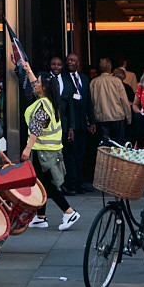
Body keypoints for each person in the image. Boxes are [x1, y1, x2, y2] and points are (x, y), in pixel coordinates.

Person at [20, 63, 79, 230]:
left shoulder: (43, 104)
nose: (35, 84)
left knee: (48, 184)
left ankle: (69, 212)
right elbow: (34, 84)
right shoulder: (47, 101)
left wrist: (27, 148)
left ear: (44, 87)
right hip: (48, 150)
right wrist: (29, 70)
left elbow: (36, 128)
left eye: (38, 82)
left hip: (43, 151)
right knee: (41, 183)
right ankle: (40, 216)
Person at [59, 51, 95, 191]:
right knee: (70, 154)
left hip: (81, 122)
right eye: (68, 60)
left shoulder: (84, 79)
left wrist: (92, 121)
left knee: (81, 153)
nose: (70, 62)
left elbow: (88, 101)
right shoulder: (62, 78)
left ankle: (80, 182)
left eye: (73, 60)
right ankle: (71, 183)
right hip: (69, 122)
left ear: (78, 63)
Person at [89, 56, 132, 144]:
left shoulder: (93, 82)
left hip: (101, 118)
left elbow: (91, 102)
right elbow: (124, 101)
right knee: (119, 147)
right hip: (117, 117)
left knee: (105, 148)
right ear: (110, 68)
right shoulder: (116, 81)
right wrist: (128, 118)